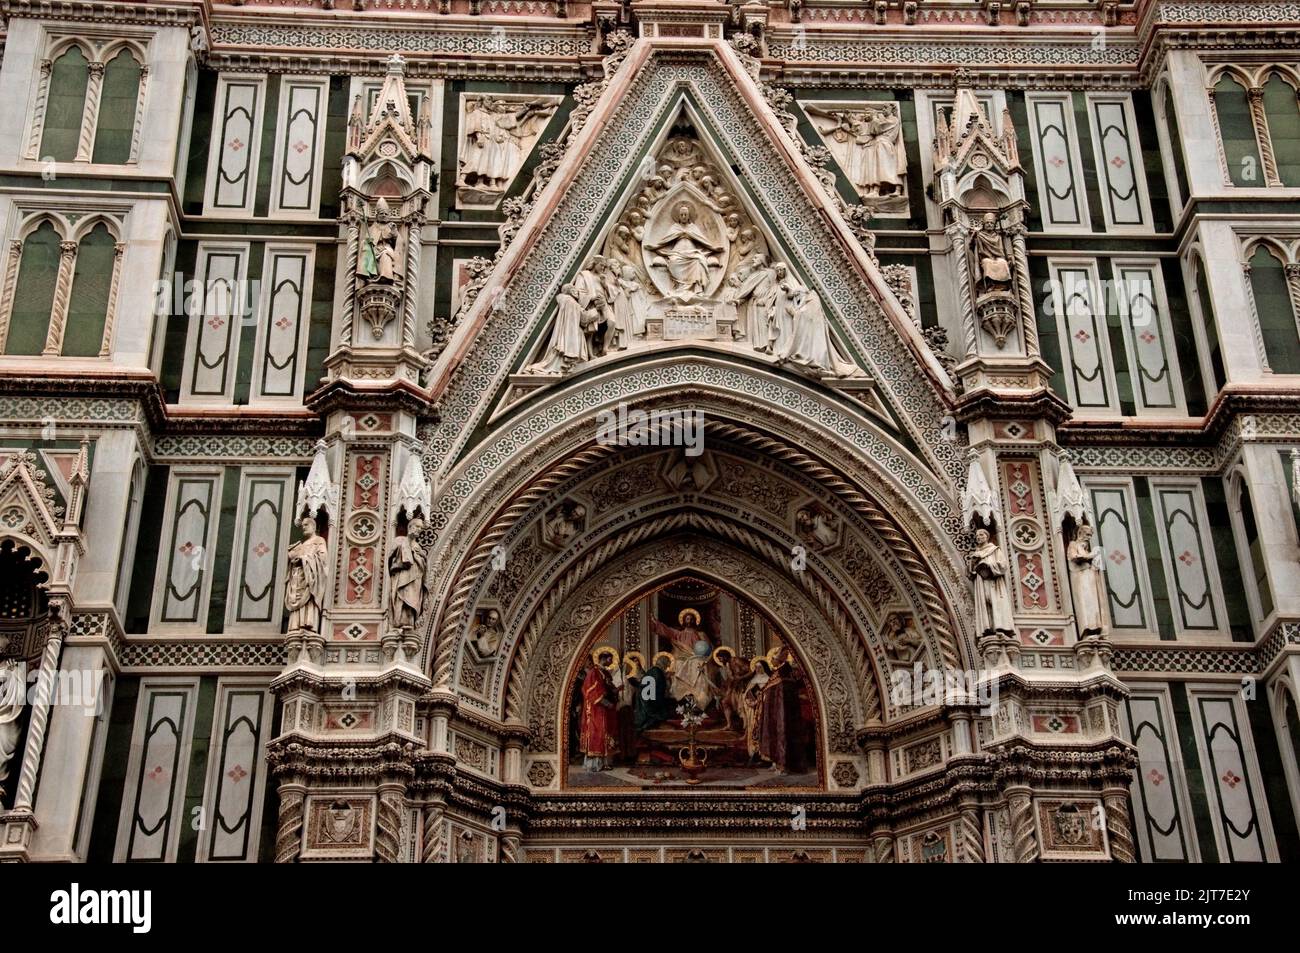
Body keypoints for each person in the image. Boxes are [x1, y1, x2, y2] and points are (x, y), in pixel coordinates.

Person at [757, 648, 807, 774]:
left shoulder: (785, 671)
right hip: (774, 712)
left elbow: (784, 690)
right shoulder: (777, 672)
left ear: (780, 659)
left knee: (782, 733)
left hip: (782, 711)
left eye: (773, 659)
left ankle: (783, 765)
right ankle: (775, 761)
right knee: (774, 733)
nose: (771, 662)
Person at [285, 515, 329, 634]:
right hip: (298, 577)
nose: (303, 527)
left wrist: (305, 559)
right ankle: (296, 626)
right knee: (296, 598)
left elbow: (323, 559)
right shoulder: (302, 544)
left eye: (306, 525)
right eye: (302, 525)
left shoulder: (319, 540)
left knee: (309, 600)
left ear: (313, 527)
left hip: (310, 578)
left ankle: (308, 623)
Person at [968, 527, 1016, 637]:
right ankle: (987, 627)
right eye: (977, 536)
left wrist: (989, 567)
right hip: (980, 580)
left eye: (981, 535)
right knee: (984, 602)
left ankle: (999, 626)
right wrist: (973, 563)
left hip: (993, 580)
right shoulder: (976, 553)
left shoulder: (994, 549)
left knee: (994, 600)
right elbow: (970, 572)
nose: (979, 537)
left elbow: (1003, 565)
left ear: (987, 537)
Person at [579, 652, 619, 770]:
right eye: (610, 660)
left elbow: (609, 688)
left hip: (605, 709)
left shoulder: (604, 672)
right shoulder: (594, 672)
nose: (611, 662)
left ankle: (605, 762)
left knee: (606, 733)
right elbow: (590, 691)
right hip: (595, 709)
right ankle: (595, 764)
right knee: (597, 733)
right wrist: (606, 702)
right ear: (604, 659)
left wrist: (614, 693)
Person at [387, 516, 427, 630]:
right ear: (410, 526)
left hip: (416, 578)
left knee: (412, 599)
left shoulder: (418, 546)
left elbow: (423, 566)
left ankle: (409, 620)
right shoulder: (399, 540)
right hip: (402, 574)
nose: (419, 529)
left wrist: (421, 556)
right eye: (417, 526)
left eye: (421, 528)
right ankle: (399, 620)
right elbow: (390, 557)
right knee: (402, 595)